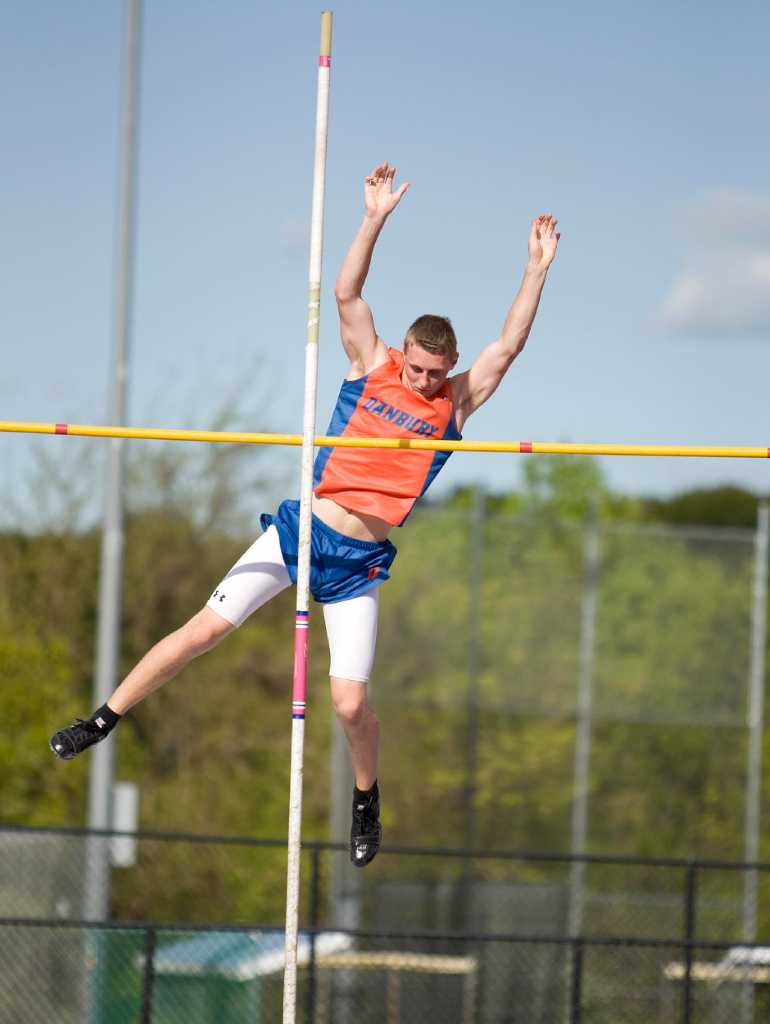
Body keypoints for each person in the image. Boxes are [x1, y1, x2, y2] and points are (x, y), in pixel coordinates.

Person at [50, 160, 560, 867]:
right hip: (302, 533)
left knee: (349, 705)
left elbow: (508, 347)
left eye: (433, 373)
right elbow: (347, 293)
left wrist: (534, 270)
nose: (422, 381)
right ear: (404, 354)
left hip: (357, 564)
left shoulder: (454, 404)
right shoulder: (372, 364)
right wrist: (373, 219)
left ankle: (366, 797)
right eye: (416, 368)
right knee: (204, 630)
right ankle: (101, 720)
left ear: (448, 368)